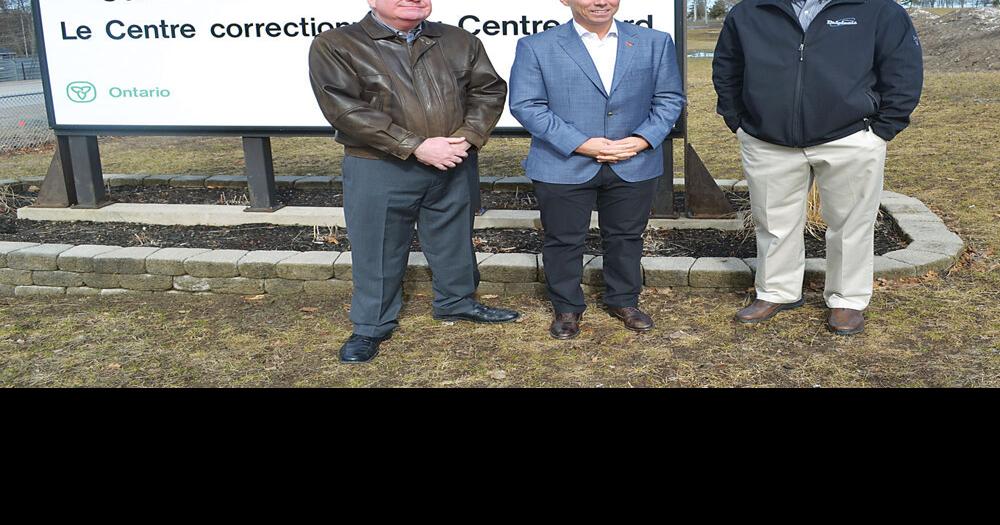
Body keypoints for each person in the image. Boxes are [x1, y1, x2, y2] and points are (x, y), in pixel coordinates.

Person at [308, 0, 519, 363]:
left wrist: (467, 136)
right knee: (378, 245)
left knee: (454, 236)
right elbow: (344, 108)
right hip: (379, 163)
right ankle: (371, 326)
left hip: (453, 158)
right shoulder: (338, 43)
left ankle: (456, 302)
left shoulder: (458, 40)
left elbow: (488, 91)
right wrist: (415, 146)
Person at [713, 0, 923, 335]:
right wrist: (738, 121)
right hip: (767, 139)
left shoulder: (878, 10)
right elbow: (727, 68)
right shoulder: (749, 10)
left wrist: (883, 128)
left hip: (850, 136)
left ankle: (847, 299)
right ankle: (776, 291)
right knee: (773, 220)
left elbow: (903, 70)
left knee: (851, 223)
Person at [509, 0, 685, 340]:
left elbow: (669, 99)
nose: (600, 1)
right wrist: (581, 143)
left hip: (632, 160)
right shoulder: (536, 46)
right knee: (563, 239)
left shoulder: (655, 42)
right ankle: (566, 307)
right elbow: (527, 105)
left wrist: (640, 140)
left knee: (626, 236)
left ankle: (624, 300)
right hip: (563, 162)